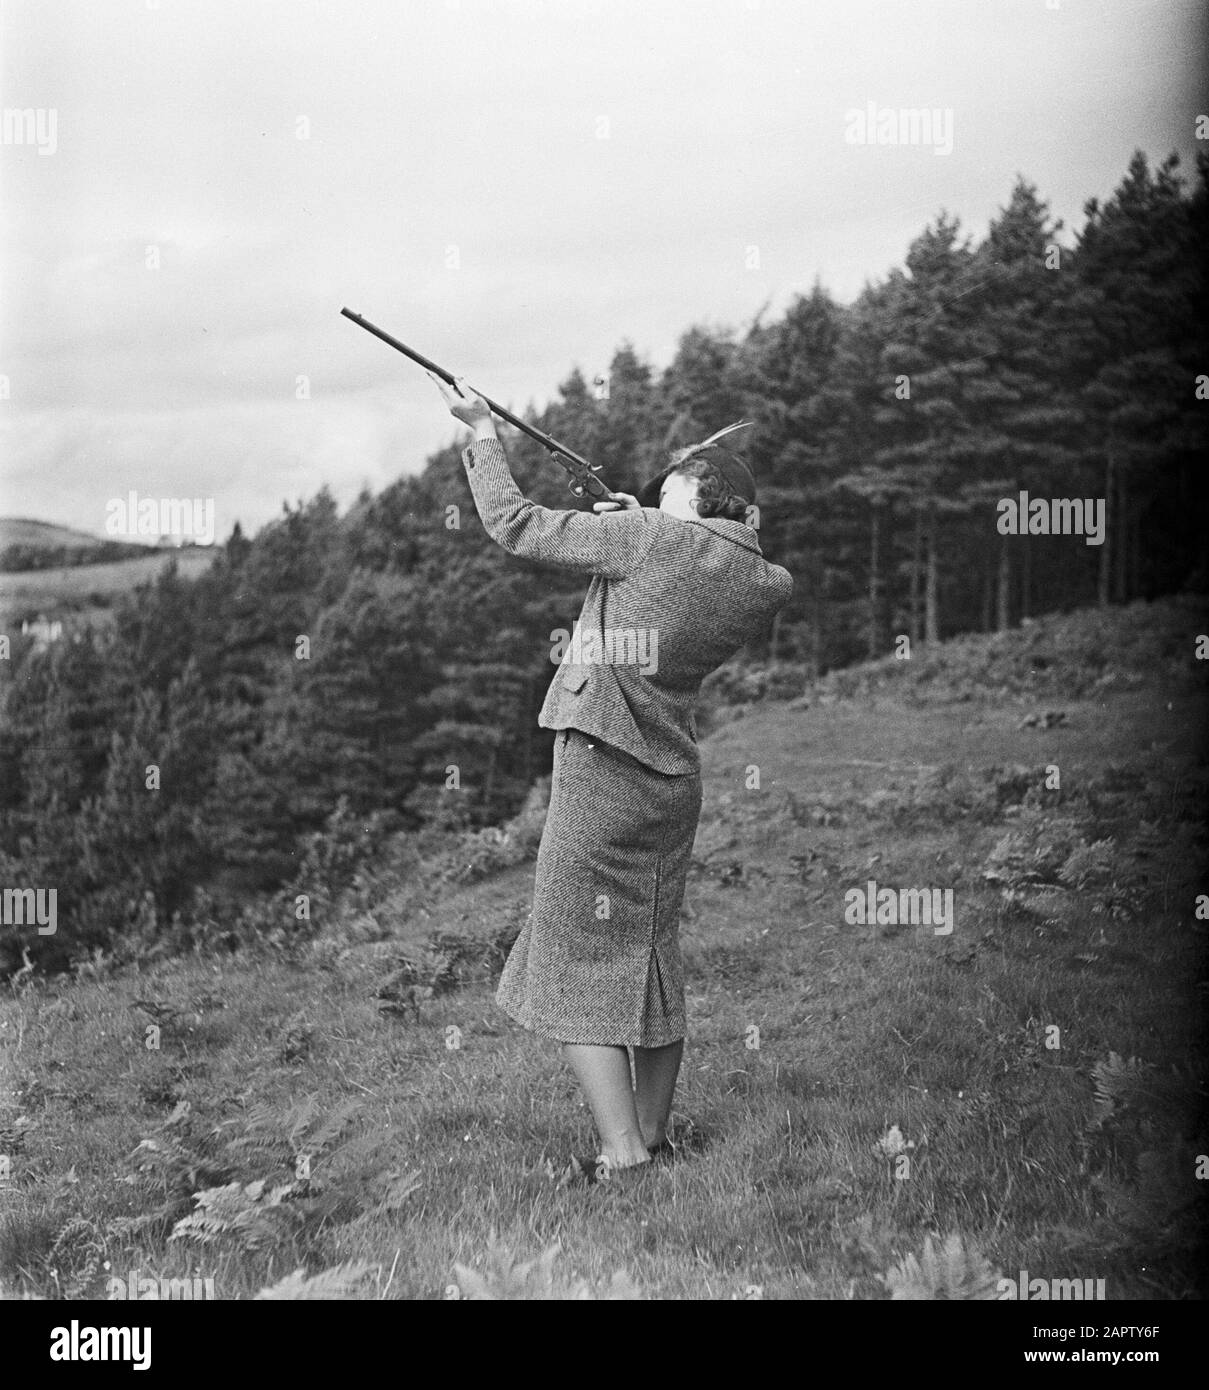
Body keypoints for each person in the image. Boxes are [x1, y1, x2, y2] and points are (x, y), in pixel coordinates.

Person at [431, 372, 793, 1178]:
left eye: (668, 490)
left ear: (697, 497)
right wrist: (643, 523)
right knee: (649, 952)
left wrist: (482, 435)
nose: (656, 500)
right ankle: (654, 1135)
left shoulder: (650, 542)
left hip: (599, 768)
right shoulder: (759, 580)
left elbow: (516, 525)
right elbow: (684, 563)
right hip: (668, 779)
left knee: (569, 956)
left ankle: (621, 1152)